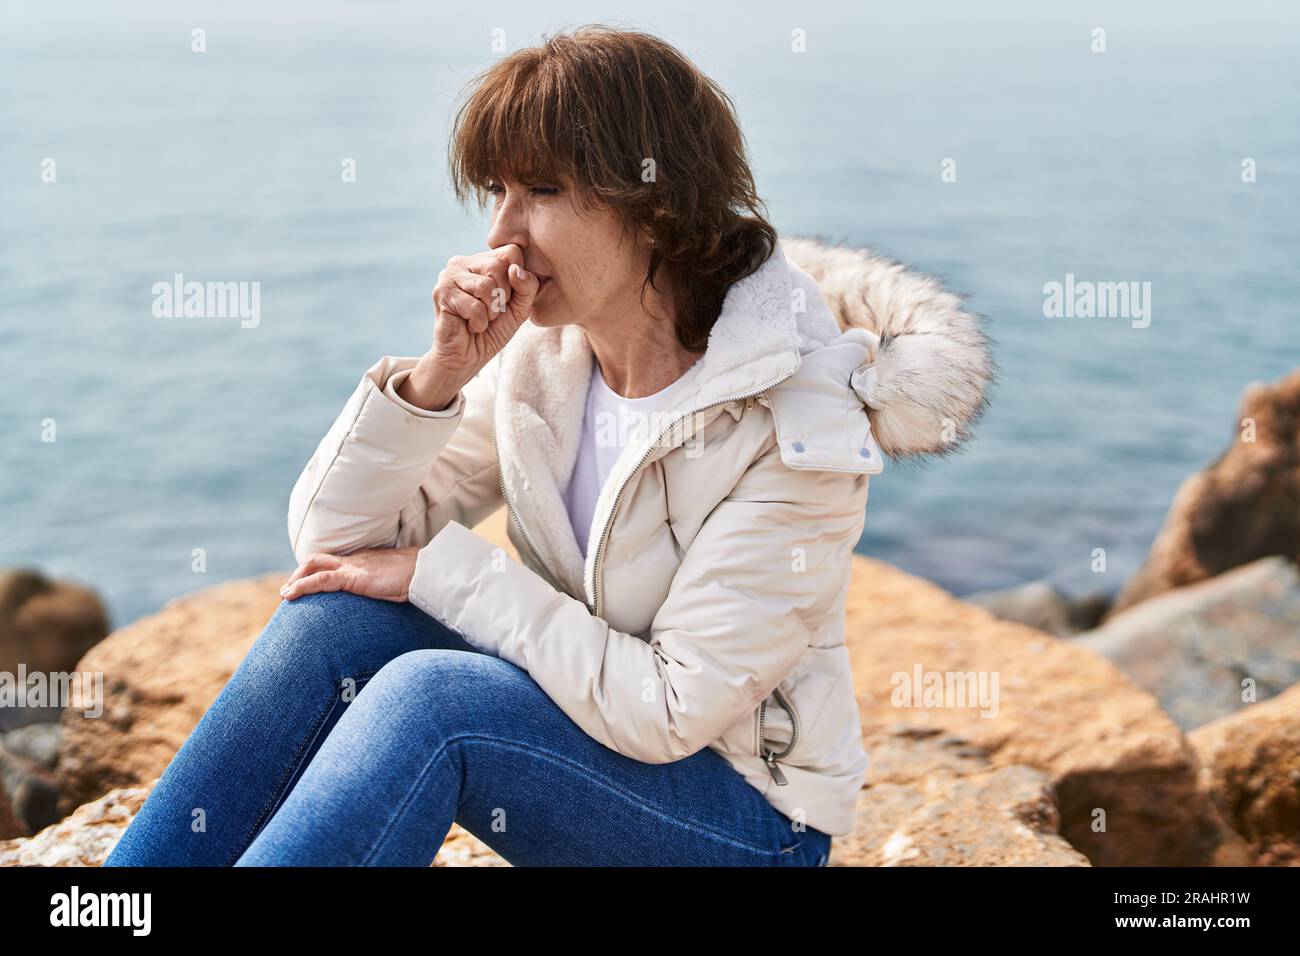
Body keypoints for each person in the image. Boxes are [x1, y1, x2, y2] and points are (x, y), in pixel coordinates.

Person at [104, 24, 992, 867]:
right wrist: (436, 381)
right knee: (335, 622)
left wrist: (435, 575)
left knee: (433, 705)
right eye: (498, 191)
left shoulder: (797, 420)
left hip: (748, 822)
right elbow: (332, 545)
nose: (501, 233)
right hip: (589, 729)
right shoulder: (548, 354)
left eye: (543, 191)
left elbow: (670, 707)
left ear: (656, 200)